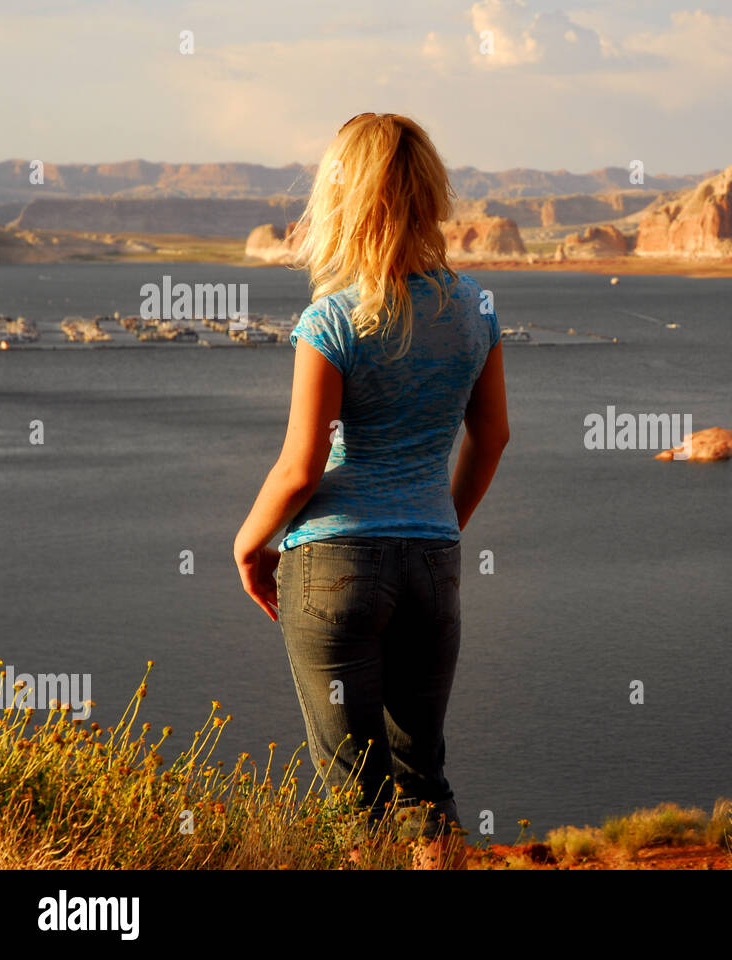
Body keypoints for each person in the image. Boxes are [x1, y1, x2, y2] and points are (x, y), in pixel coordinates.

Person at [232, 113, 508, 869]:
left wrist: (247, 543)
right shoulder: (477, 307)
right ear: (429, 194)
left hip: (331, 568)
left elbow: (300, 465)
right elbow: (494, 436)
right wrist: (439, 523)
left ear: (341, 196)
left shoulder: (331, 318)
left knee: (357, 807)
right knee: (426, 788)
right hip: (432, 564)